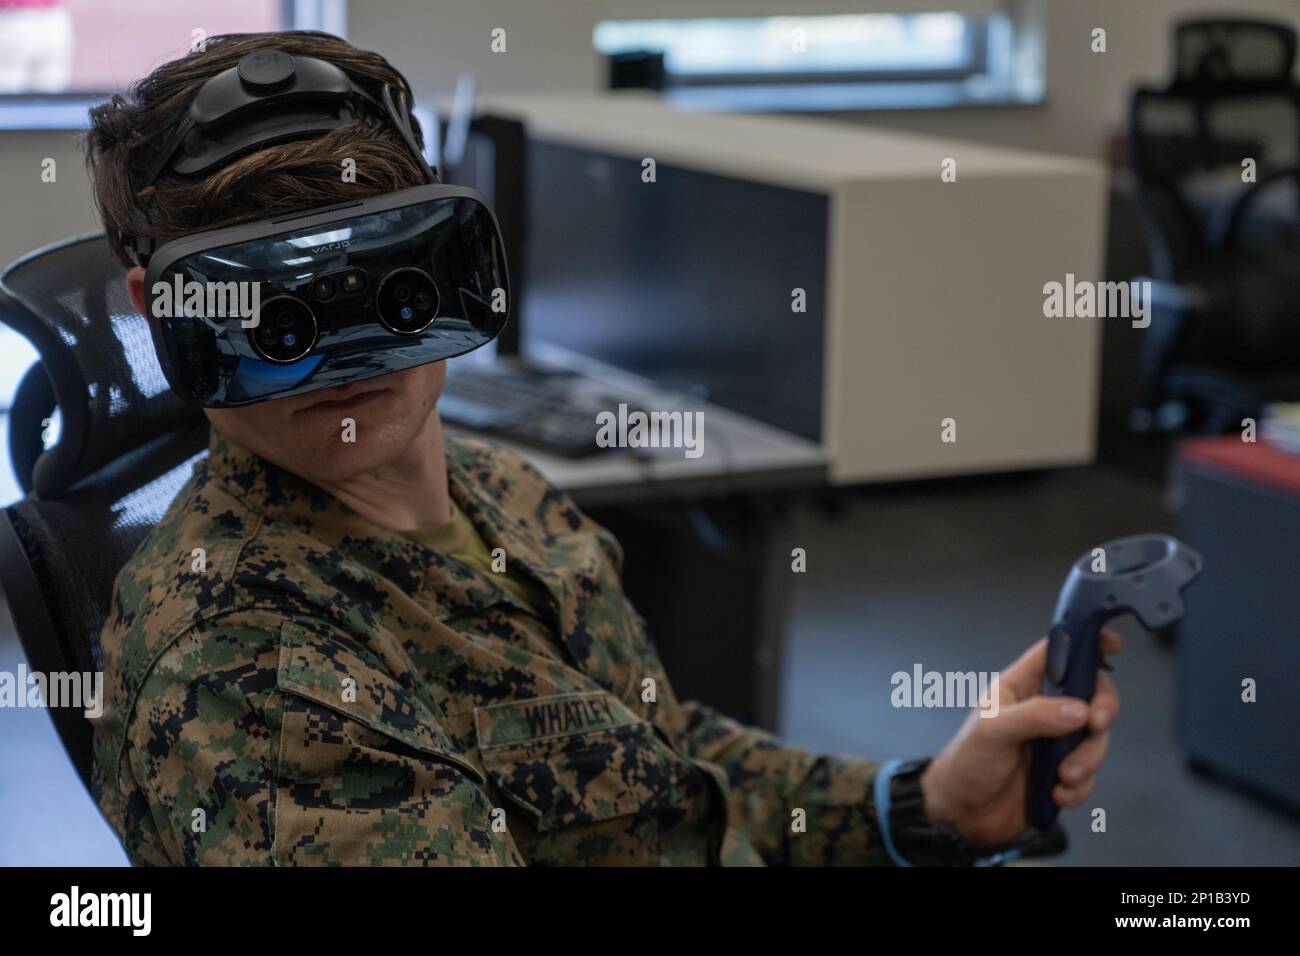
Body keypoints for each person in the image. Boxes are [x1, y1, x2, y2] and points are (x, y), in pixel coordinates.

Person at [85, 31, 1119, 866]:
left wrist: (923, 805)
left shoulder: (508, 495)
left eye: (381, 275)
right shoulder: (252, 677)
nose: (346, 358)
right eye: (274, 314)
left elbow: (658, 765)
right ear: (160, 311)